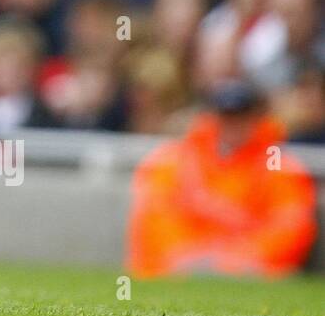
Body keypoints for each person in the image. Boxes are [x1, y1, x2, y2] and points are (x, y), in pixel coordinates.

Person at [126, 80, 317, 279]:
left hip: (249, 274)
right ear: (213, 117)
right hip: (181, 269)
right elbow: (155, 213)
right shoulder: (175, 158)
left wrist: (234, 260)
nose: (233, 124)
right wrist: (187, 256)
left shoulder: (278, 164)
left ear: (256, 117)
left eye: (242, 115)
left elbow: (290, 224)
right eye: (226, 115)